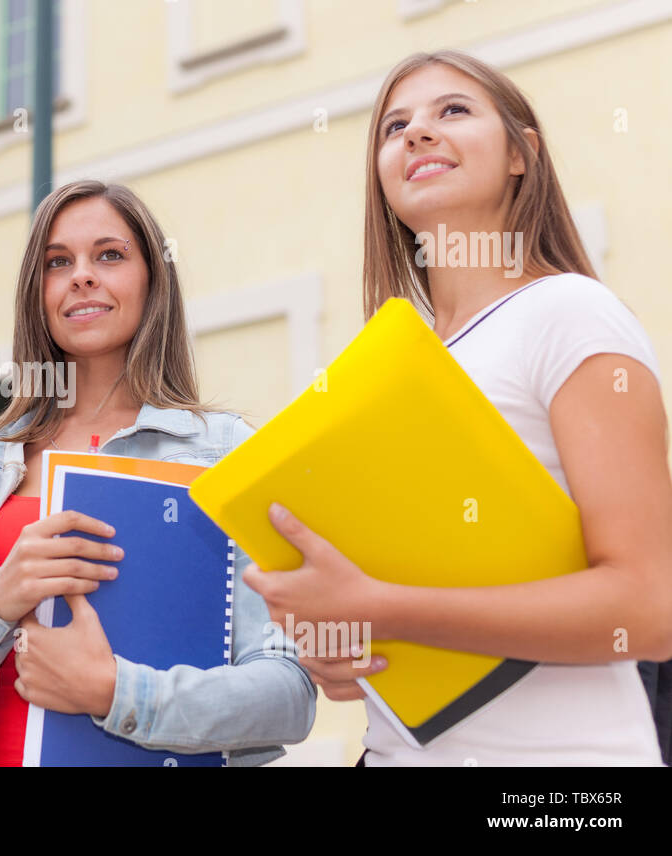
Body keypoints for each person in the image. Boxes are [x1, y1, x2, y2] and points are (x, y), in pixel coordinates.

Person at [241, 50, 672, 765]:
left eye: (453, 111)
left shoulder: (570, 313)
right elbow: (414, 605)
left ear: (521, 155)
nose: (416, 134)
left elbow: (649, 608)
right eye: (394, 126)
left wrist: (379, 606)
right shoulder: (388, 372)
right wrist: (341, 649)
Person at [0, 179, 315, 766]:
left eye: (109, 255)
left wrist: (117, 692)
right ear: (36, 293)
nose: (81, 276)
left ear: (151, 280)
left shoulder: (229, 456)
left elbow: (288, 697)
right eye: (57, 262)